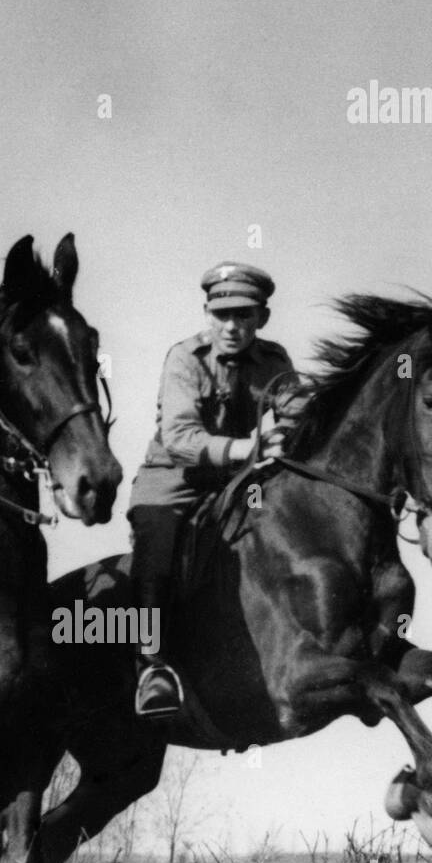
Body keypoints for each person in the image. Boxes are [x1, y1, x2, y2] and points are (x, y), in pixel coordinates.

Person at [127, 261, 297, 718]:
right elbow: (181, 439)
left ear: (261, 318)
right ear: (207, 314)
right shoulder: (185, 358)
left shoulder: (275, 361)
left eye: (244, 315)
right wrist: (250, 447)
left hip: (234, 485)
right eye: (222, 315)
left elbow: (300, 413)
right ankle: (151, 667)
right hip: (173, 482)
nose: (232, 326)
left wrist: (294, 433)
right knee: (156, 557)